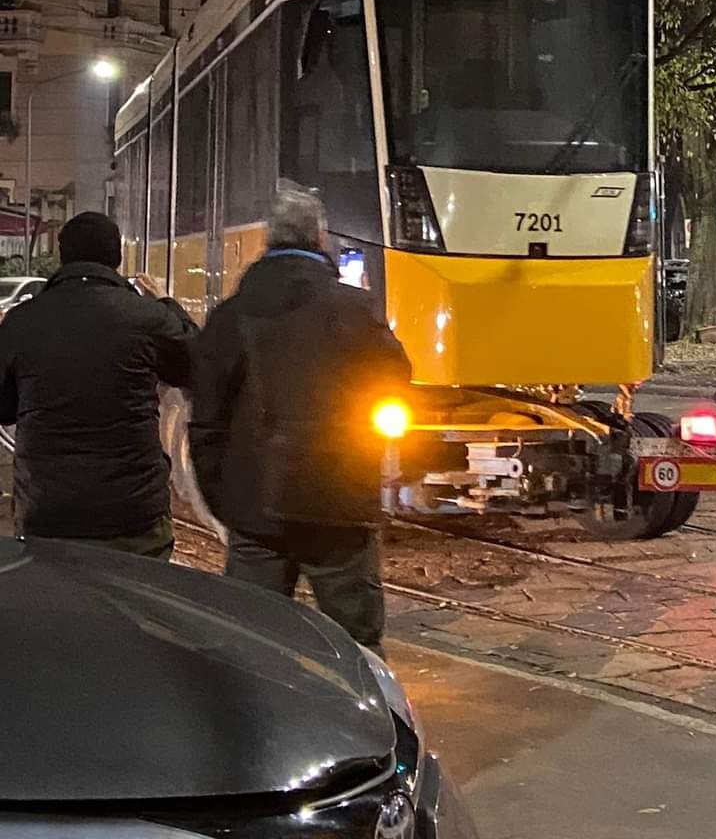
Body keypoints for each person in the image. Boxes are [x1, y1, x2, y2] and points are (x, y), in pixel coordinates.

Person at [188, 184, 411, 652]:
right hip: (339, 503)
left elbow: (206, 419)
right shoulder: (355, 309)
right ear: (320, 237)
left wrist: (226, 500)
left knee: (254, 644)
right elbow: (394, 380)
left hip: (255, 508)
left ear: (268, 239)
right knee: (357, 646)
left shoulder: (232, 315)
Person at [0, 212, 195, 557]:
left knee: (53, 592)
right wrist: (166, 302)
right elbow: (196, 362)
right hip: (133, 516)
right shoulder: (148, 317)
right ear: (117, 257)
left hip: (47, 515)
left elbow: (2, 408)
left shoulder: (21, 322)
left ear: (62, 256)